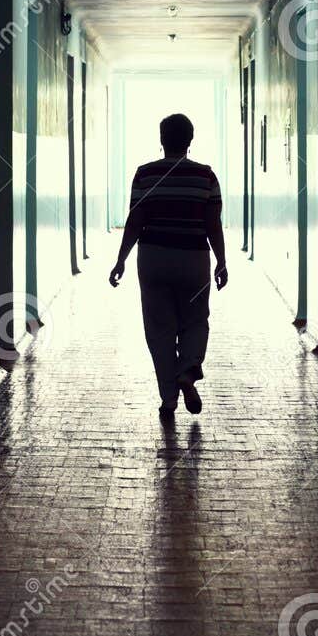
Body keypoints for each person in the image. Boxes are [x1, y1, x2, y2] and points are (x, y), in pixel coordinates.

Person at [109, 113, 228, 418]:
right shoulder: (206, 177)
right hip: (194, 259)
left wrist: (120, 259)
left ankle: (168, 400)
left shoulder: (145, 174)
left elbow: (135, 221)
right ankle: (188, 370)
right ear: (190, 141)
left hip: (153, 258)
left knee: (159, 329)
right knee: (196, 320)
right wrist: (222, 261)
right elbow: (213, 225)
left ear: (162, 140)